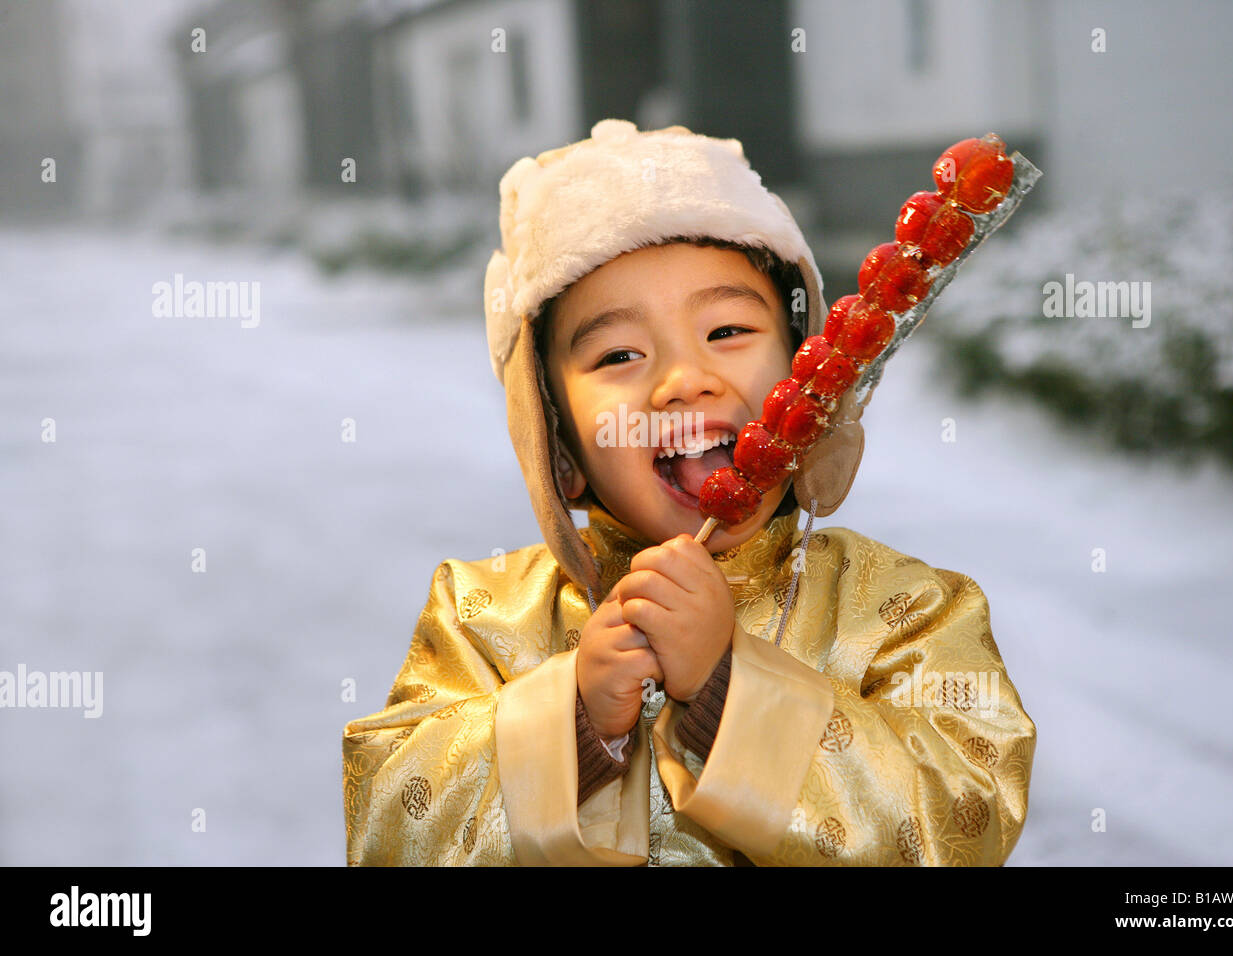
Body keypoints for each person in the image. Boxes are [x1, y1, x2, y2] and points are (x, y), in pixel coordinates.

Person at [342, 119, 1036, 866]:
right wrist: (572, 717)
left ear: (811, 383)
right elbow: (391, 828)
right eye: (619, 353)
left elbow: (960, 822)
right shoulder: (483, 618)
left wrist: (730, 690)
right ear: (559, 447)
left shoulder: (905, 612)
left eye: (728, 330)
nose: (684, 380)